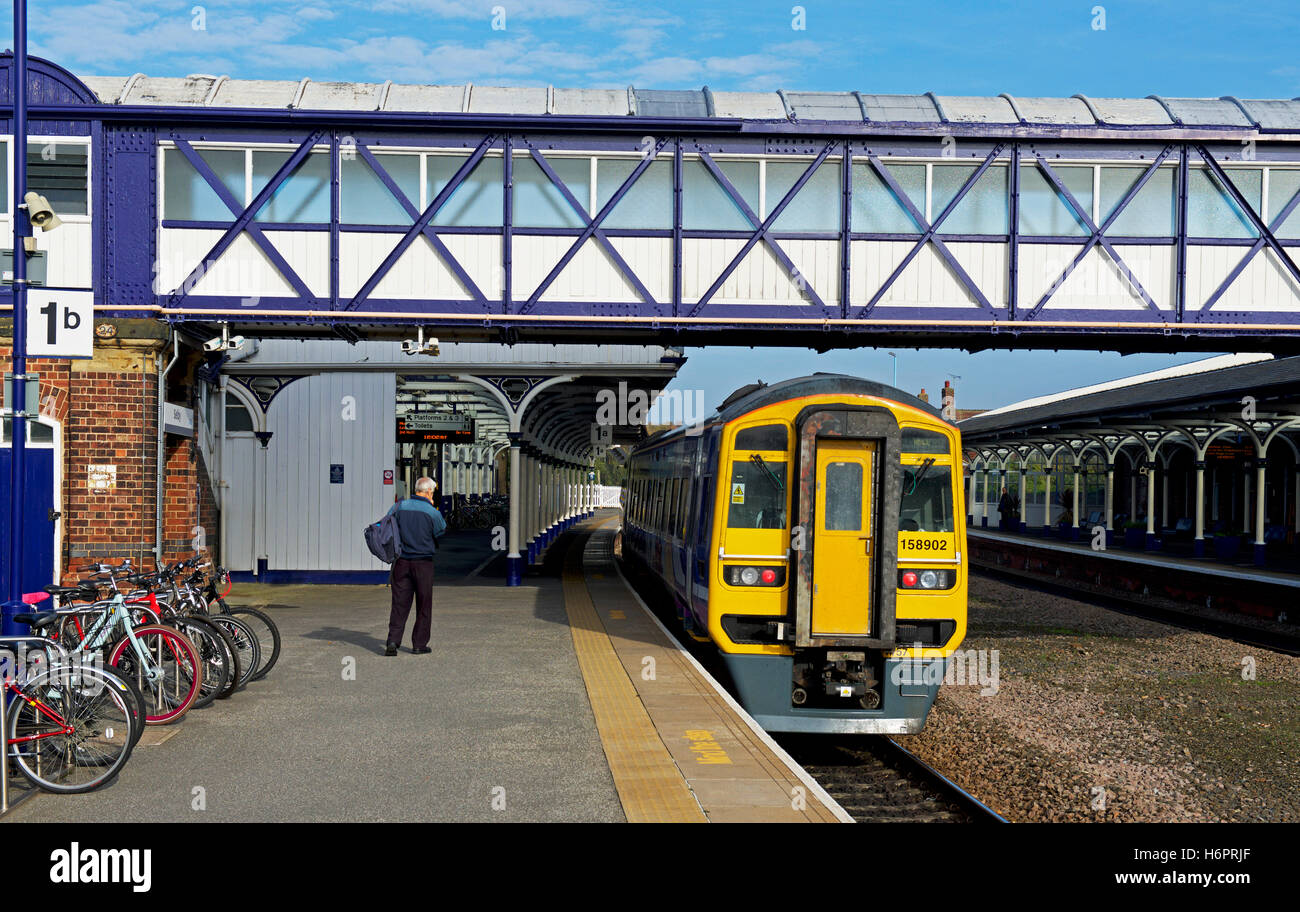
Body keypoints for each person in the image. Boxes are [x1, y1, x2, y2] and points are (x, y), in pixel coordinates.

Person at [384, 476, 447, 656]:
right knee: (423, 604)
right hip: (423, 564)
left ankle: (393, 642)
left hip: (401, 562)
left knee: (399, 604)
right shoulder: (432, 512)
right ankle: (419, 644)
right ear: (428, 492)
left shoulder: (399, 506)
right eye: (432, 491)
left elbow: (388, 523)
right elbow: (440, 530)